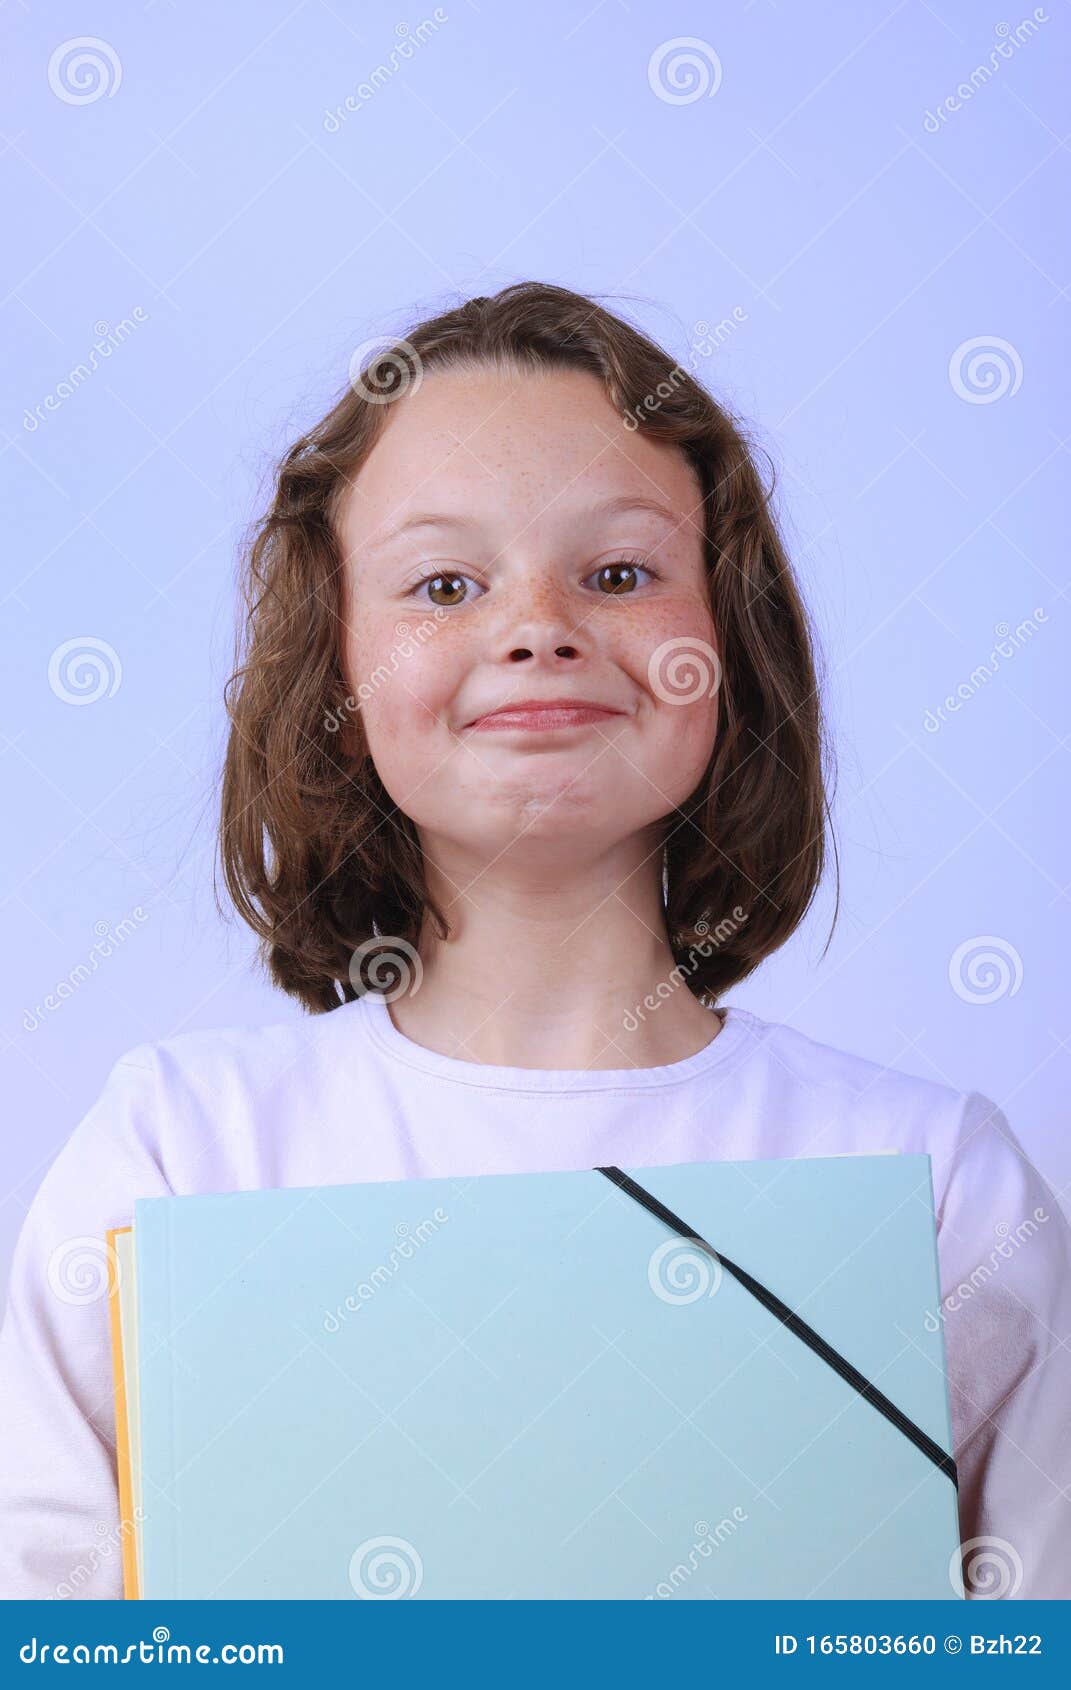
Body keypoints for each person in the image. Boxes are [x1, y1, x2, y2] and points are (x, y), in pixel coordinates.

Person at [0, 283, 1067, 1600]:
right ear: (336, 683)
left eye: (619, 573)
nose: (536, 626)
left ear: (727, 651)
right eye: (444, 582)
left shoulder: (938, 1183)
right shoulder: (177, 1152)